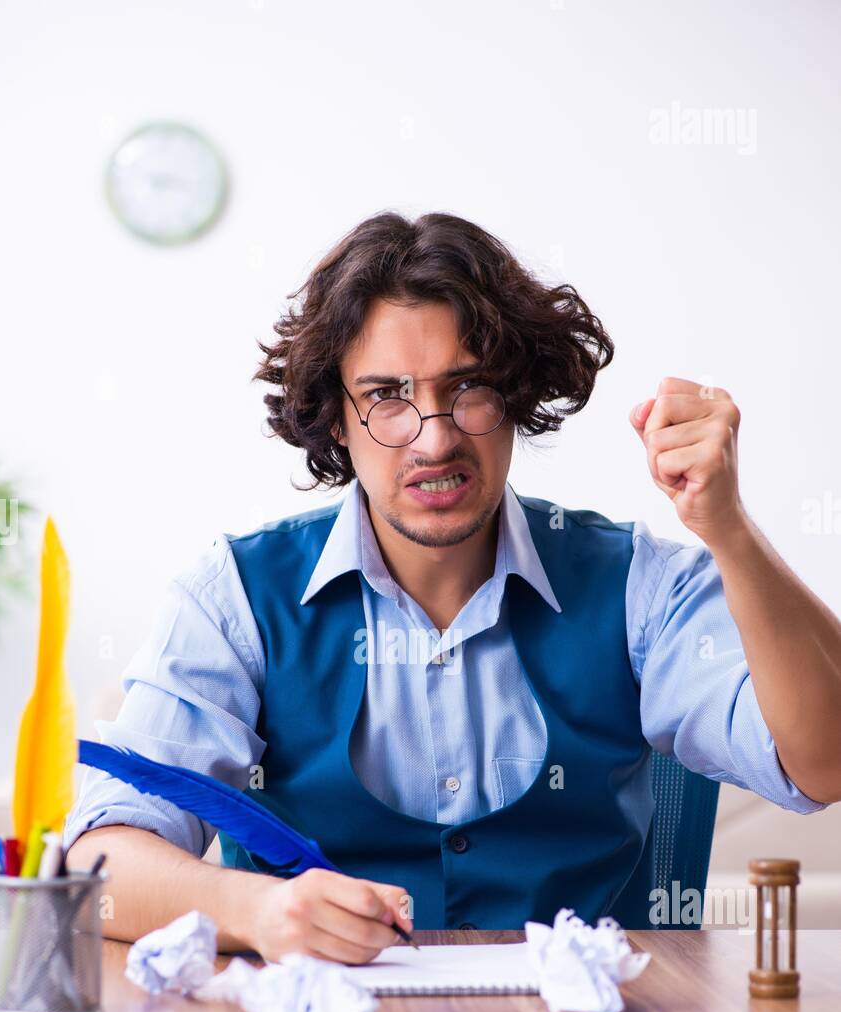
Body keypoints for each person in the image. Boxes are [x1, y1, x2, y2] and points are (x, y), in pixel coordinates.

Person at [64, 211, 841, 957]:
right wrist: (260, 910)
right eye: (386, 397)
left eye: (468, 389)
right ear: (336, 418)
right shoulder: (235, 598)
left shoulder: (641, 585)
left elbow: (823, 763)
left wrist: (727, 527)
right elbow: (97, 870)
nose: (434, 438)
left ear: (517, 398)